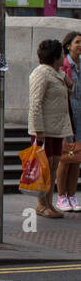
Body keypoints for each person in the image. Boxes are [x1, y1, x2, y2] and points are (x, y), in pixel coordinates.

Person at [27, 38, 72, 220]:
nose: (64, 57)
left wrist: (68, 83)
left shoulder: (58, 73)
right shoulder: (41, 73)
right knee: (43, 167)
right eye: (62, 54)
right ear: (55, 57)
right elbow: (35, 103)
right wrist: (38, 130)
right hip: (43, 130)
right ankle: (40, 205)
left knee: (53, 164)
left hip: (56, 127)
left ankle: (49, 203)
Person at [58, 33, 81, 212]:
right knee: (66, 158)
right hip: (68, 116)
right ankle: (61, 196)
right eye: (77, 42)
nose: (80, 45)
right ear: (68, 46)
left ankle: (72, 195)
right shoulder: (64, 66)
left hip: (80, 117)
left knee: (76, 159)